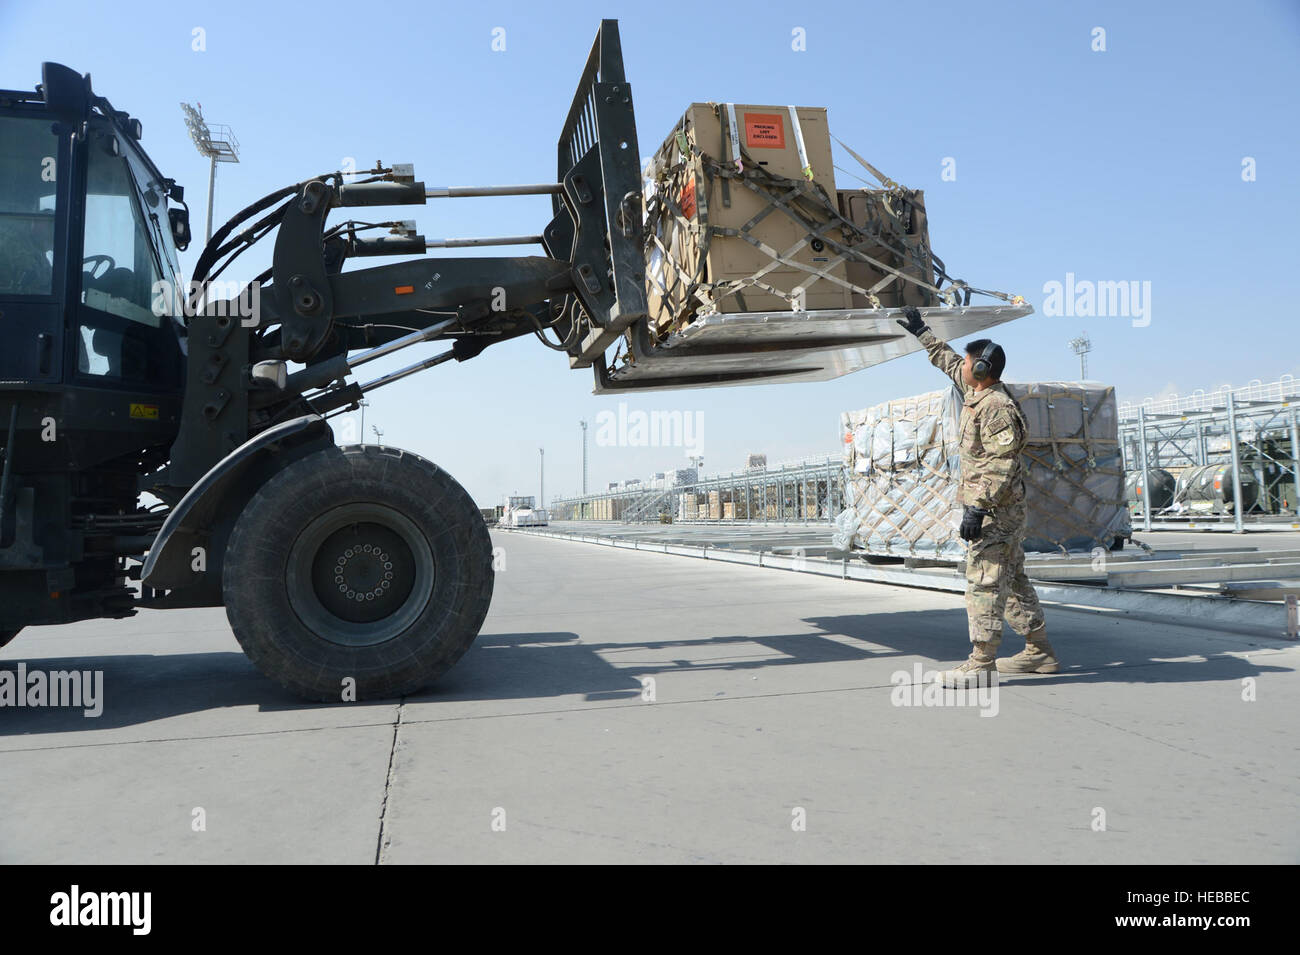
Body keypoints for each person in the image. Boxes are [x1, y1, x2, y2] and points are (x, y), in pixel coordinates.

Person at [895, 305, 1058, 687]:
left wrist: (978, 508)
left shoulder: (997, 407)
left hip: (996, 513)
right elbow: (947, 362)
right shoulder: (976, 392)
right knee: (1013, 580)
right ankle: (1040, 652)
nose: (963, 366)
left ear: (981, 370)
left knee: (984, 581)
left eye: (969, 362)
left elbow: (1002, 465)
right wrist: (923, 332)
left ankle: (982, 662)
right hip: (994, 509)